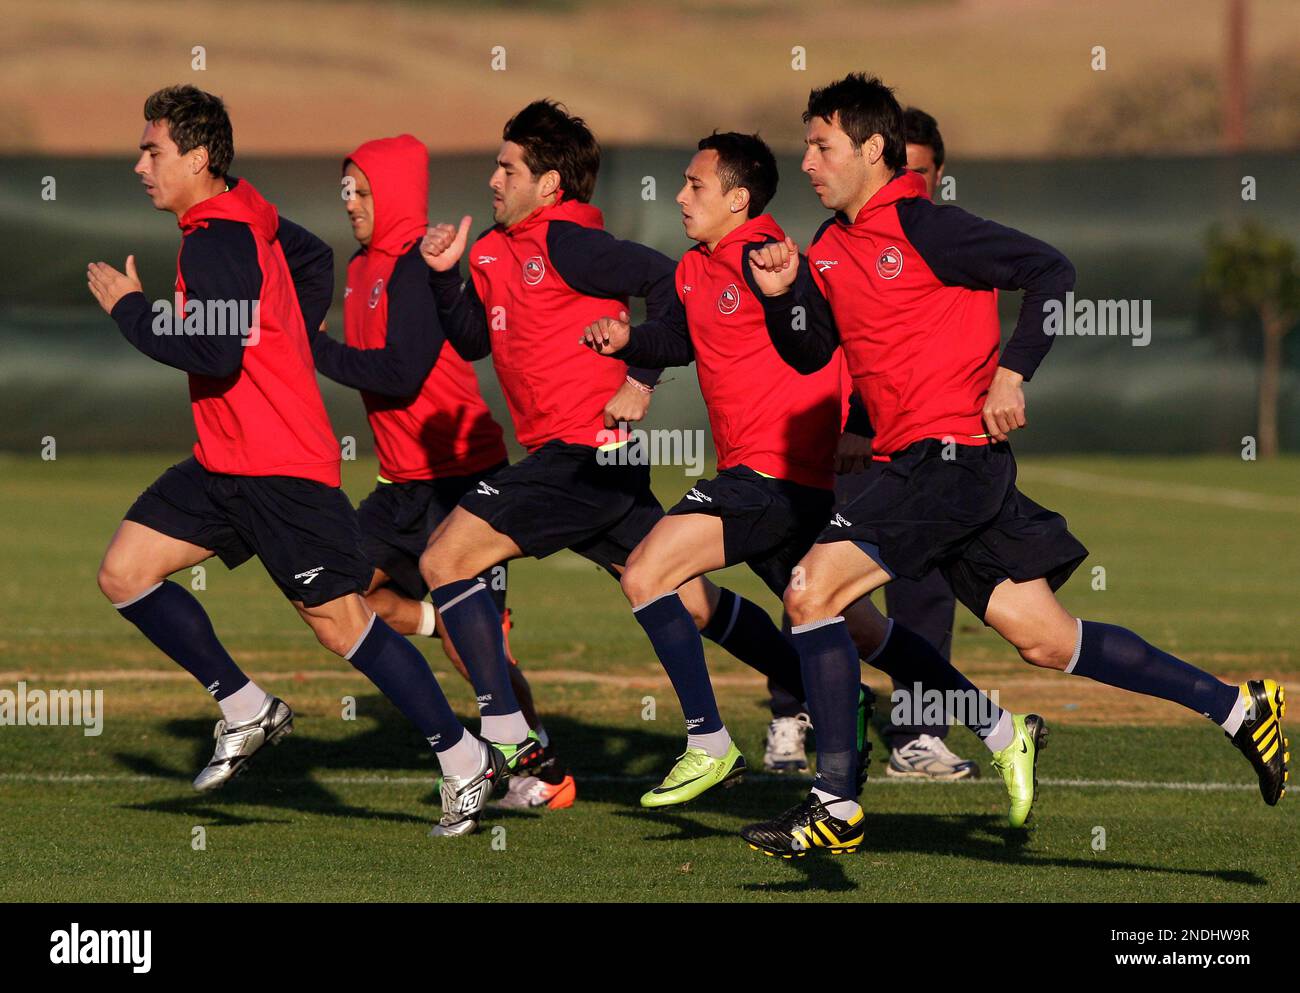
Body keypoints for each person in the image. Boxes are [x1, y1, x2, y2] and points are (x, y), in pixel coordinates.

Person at [741, 72, 1288, 857]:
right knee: (1046, 638)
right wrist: (779, 295)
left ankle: (834, 800)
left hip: (947, 460)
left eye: (821, 146)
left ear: (870, 150)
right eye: (806, 145)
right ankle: (1238, 708)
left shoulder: (928, 227)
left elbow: (1053, 273)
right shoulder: (826, 248)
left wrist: (1012, 371)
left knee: (809, 589)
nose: (807, 162)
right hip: (937, 467)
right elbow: (810, 351)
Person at [87, 86, 511, 838]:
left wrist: (130, 310)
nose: (139, 165)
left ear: (197, 156)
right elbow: (309, 256)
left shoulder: (216, 235)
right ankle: (246, 706)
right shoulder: (243, 204)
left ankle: (464, 756)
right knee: (124, 570)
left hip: (281, 466)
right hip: (224, 458)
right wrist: (286, 331)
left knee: (342, 623)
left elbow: (214, 349)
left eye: (152, 152)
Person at [418, 101, 813, 818]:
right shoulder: (493, 251)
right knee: (688, 599)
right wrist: (446, 275)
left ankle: (508, 737)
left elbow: (666, 284)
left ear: (550, 186)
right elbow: (475, 338)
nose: (493, 178)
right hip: (578, 462)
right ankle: (821, 687)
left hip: (583, 455)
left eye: (508, 167)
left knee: (445, 560)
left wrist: (638, 376)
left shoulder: (569, 242)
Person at [580, 131, 869, 807]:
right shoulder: (693, 266)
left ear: (738, 199)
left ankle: (709, 741)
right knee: (853, 626)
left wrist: (858, 425)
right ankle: (997, 726)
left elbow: (838, 342)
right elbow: (679, 339)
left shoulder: (773, 258)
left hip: (775, 475)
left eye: (696, 186)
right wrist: (631, 343)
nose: (680, 196)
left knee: (648, 571)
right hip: (760, 475)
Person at [309, 134, 573, 810]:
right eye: (346, 192)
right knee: (334, 595)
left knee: (473, 652)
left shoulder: (411, 267)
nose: (351, 204)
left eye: (363, 191)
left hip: (461, 476)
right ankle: (442, 622)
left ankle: (539, 764)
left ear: (393, 194)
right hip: (400, 485)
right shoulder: (362, 267)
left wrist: (310, 346)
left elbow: (398, 373)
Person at [764, 106, 978, 782]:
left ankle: (918, 733)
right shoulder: (840, 242)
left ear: (937, 176)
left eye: (916, 173)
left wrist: (1006, 380)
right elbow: (849, 345)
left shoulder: (948, 238)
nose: (899, 184)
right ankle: (795, 711)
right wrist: (854, 419)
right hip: (862, 442)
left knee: (928, 590)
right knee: (818, 577)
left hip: (940, 447)